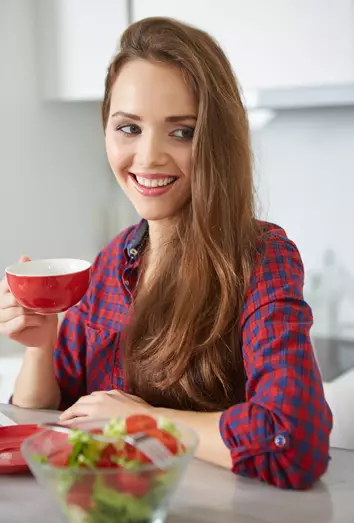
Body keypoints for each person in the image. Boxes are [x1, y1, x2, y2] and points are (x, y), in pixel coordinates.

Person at [0, 17, 332, 489]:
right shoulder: (114, 261)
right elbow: (51, 427)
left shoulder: (261, 257)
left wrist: (147, 421)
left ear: (218, 141)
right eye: (129, 128)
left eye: (182, 132)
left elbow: (292, 441)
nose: (149, 156)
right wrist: (40, 347)